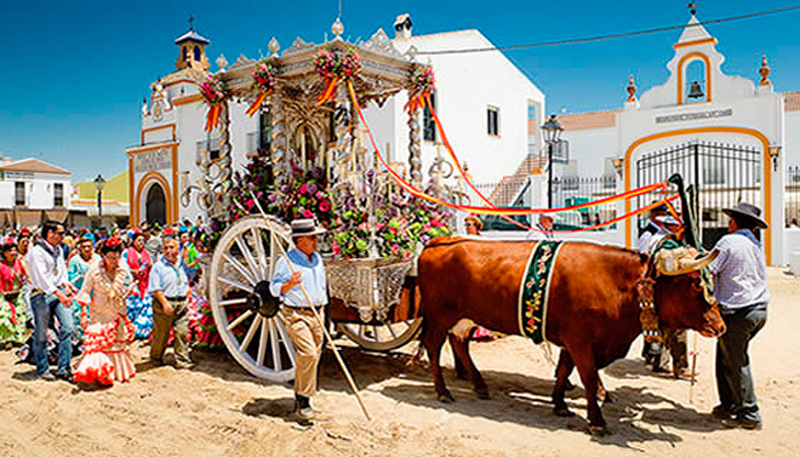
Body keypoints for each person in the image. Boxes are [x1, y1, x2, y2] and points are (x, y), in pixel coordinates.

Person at [708, 202, 769, 430]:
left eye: (730, 218)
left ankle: (749, 413)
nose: (728, 222)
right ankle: (729, 404)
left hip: (738, 312)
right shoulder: (755, 244)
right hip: (759, 310)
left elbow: (709, 269)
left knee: (736, 361)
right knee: (725, 357)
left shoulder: (728, 242)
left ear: (734, 221)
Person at [270, 219, 329, 424]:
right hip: (296, 314)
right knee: (308, 353)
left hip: (317, 313)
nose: (316, 241)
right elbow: (274, 288)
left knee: (315, 355)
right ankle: (303, 401)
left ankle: (302, 394)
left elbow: (321, 287)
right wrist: (289, 284)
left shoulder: (317, 259)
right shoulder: (287, 261)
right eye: (313, 238)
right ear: (301, 240)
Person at [73, 237, 137, 386]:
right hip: (99, 313)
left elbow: (129, 285)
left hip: (117, 311)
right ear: (103, 256)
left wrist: (129, 291)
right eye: (110, 257)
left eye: (116, 257)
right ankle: (98, 373)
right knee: (99, 344)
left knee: (117, 342)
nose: (114, 261)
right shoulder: (94, 270)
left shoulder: (123, 269)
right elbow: (84, 291)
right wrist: (83, 313)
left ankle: (115, 372)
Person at [27, 220, 76, 381]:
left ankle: (63, 367)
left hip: (58, 292)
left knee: (68, 327)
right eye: (61, 233)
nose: (64, 236)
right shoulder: (36, 252)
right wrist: (59, 293)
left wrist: (66, 284)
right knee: (42, 333)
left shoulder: (59, 250)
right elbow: (41, 278)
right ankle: (43, 368)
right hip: (41, 294)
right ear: (50, 233)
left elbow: (61, 271)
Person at [647, 215, 690, 379]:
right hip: (670, 291)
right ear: (671, 226)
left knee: (662, 327)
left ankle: (660, 361)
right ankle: (681, 367)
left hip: (660, 289)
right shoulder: (667, 243)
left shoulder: (660, 238)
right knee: (678, 329)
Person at [148, 234, 193, 368]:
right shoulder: (158, 266)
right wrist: (165, 304)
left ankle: (182, 361)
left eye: (171, 247)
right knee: (161, 334)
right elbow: (156, 288)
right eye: (165, 248)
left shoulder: (182, 264)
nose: (168, 251)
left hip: (181, 302)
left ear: (177, 248)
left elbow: (190, 276)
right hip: (164, 302)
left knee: (182, 332)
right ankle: (156, 358)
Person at [68, 234, 99, 342]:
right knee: (79, 315)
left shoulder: (98, 258)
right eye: (84, 247)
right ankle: (81, 338)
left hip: (96, 292)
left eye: (89, 246)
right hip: (80, 292)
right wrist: (81, 277)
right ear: (79, 248)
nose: (86, 249)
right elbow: (70, 275)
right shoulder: (74, 260)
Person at [123, 230, 154, 338]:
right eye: (139, 240)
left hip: (144, 283)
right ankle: (130, 330)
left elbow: (151, 265)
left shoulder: (146, 253)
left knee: (144, 306)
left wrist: (150, 266)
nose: (141, 243)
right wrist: (132, 271)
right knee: (132, 307)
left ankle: (142, 331)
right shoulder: (127, 252)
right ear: (134, 241)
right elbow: (122, 267)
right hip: (131, 284)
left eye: (143, 241)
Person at [0, 237, 29, 346]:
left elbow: (28, 276)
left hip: (18, 293)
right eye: (10, 251)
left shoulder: (21, 263)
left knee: (19, 315)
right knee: (5, 315)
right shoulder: (1, 265)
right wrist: (3, 293)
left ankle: (17, 339)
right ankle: (7, 339)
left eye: (15, 250)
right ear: (4, 253)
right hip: (3, 294)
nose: (13, 253)